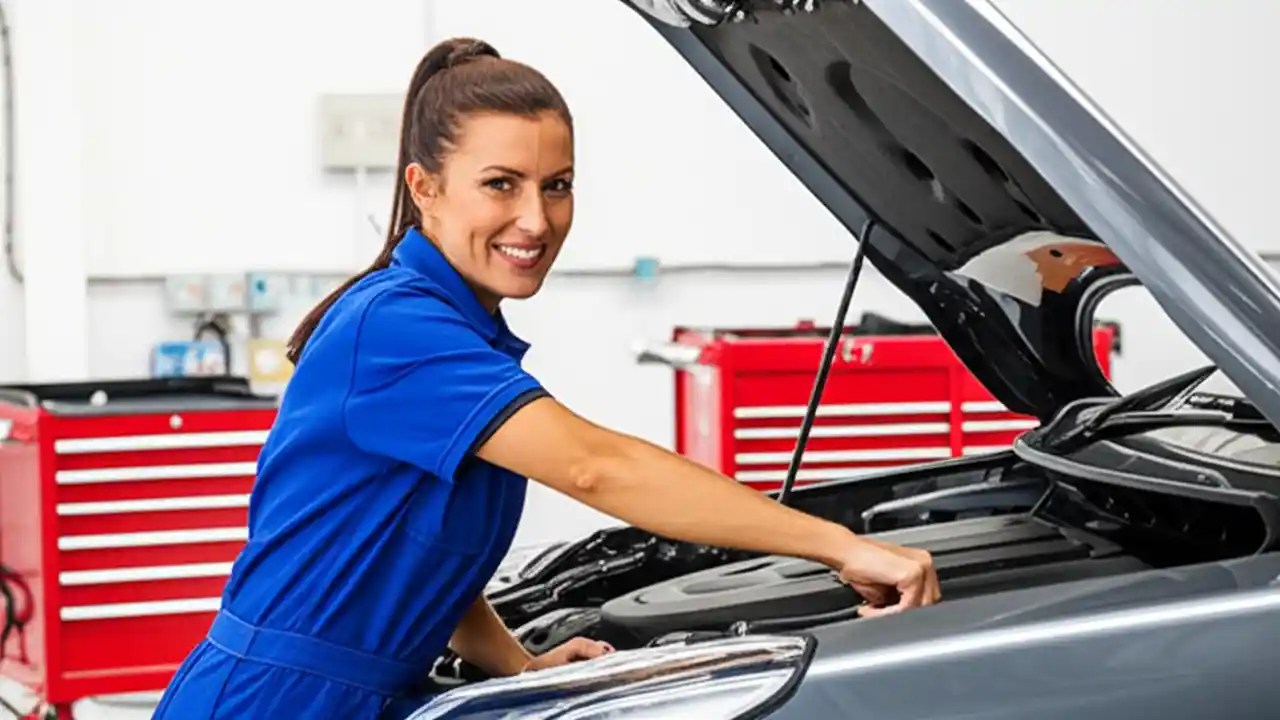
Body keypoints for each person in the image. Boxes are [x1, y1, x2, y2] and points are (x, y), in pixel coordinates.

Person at [152, 36, 941, 720]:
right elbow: (598, 467)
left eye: (556, 185)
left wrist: (519, 665)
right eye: (501, 184)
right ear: (425, 188)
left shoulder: (457, 327)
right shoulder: (393, 329)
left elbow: (418, 556)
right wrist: (839, 547)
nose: (536, 219)